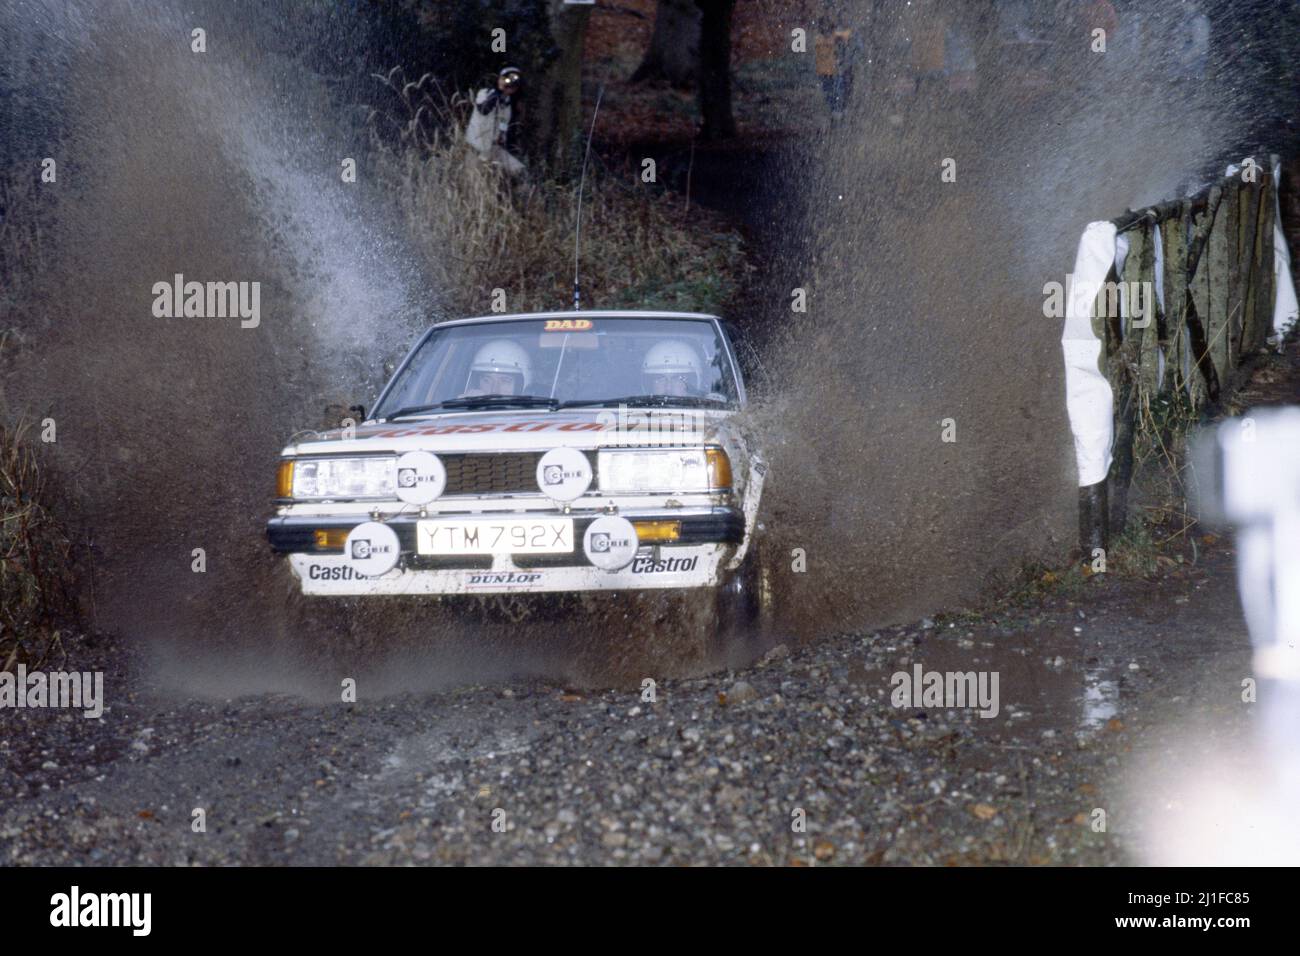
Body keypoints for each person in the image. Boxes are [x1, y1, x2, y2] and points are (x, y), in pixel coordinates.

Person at [465, 66, 526, 177]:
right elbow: (483, 109)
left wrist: (502, 138)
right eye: (506, 79)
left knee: (520, 170)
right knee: (473, 184)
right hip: (476, 150)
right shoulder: (484, 93)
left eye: (514, 82)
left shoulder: (507, 105)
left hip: (494, 150)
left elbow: (504, 126)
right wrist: (499, 91)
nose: (509, 83)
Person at [462, 339, 533, 396]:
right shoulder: (465, 412)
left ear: (520, 385)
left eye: (505, 381)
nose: (494, 391)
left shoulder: (535, 413)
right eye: (486, 380)